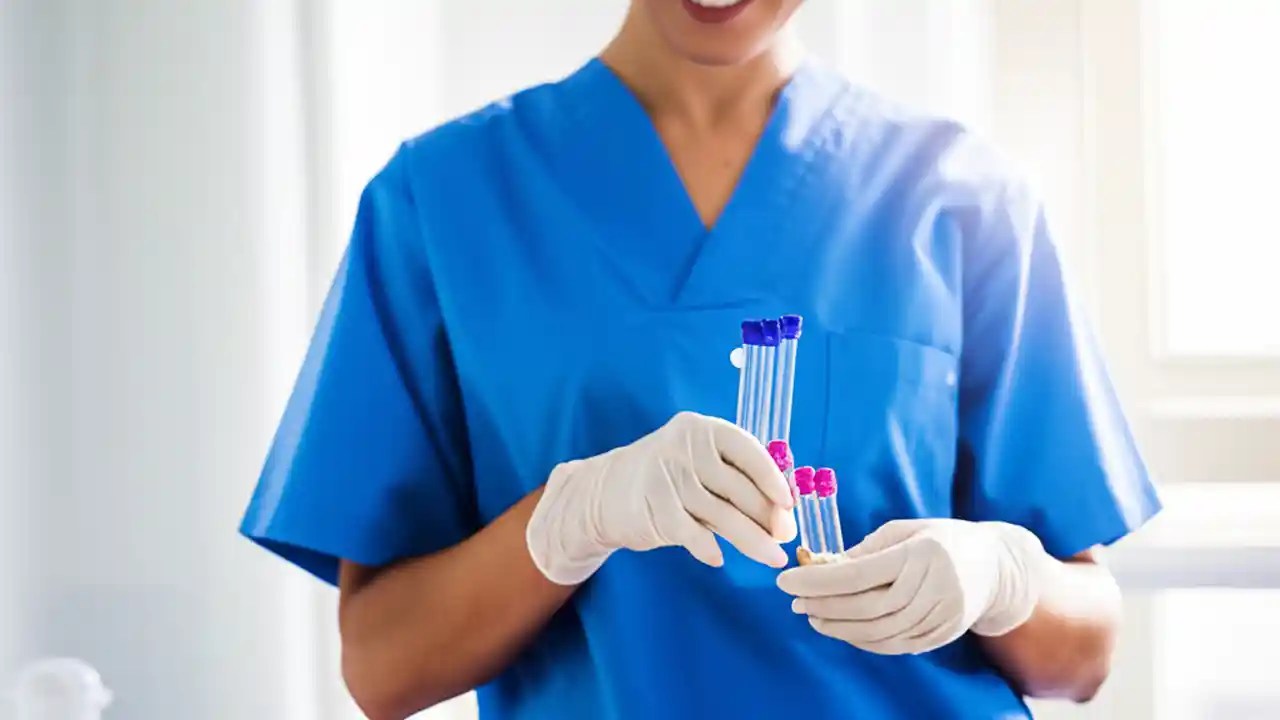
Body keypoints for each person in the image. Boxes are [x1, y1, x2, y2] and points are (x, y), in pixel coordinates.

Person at [240, 1, 1161, 718]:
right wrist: (568, 521)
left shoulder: (962, 196)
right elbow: (383, 668)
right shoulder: (442, 201)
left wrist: (1000, 580)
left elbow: (1083, 654)